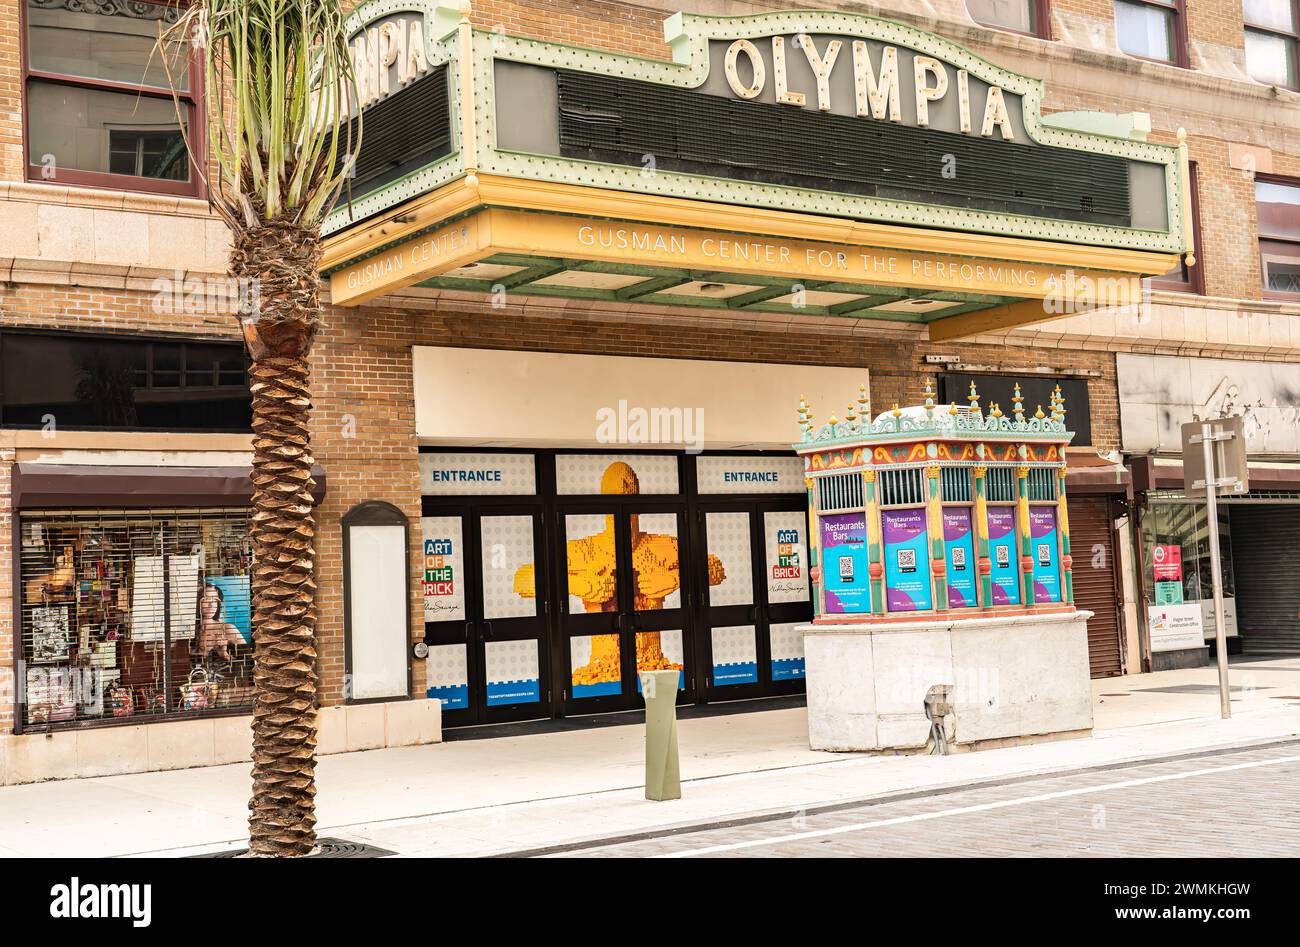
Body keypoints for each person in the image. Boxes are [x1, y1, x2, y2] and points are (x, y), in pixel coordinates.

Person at [195, 583, 245, 670]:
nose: (211, 604)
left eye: (214, 600)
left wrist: (224, 654)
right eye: (206, 599)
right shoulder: (191, 633)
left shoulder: (228, 629)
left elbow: (248, 663)